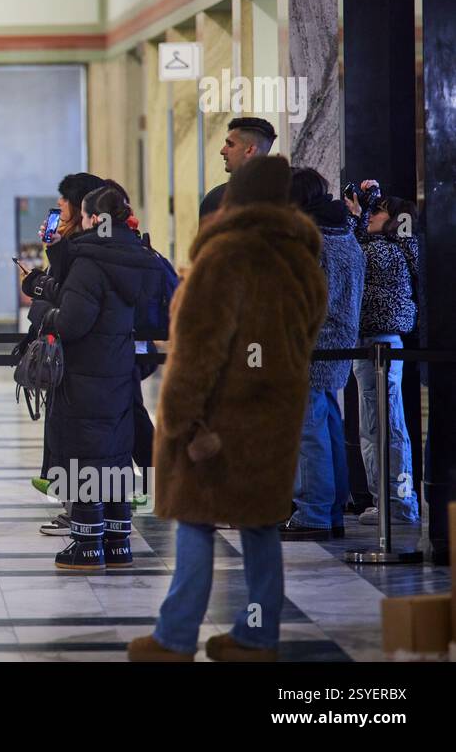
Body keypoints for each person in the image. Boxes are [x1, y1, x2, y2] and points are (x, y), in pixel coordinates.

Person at [130, 156, 326, 661]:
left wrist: (180, 420)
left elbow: (197, 350)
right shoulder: (301, 260)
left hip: (215, 423)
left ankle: (174, 639)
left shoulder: (225, 258)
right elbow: (305, 336)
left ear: (234, 199)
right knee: (261, 525)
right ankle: (257, 637)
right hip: (274, 419)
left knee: (194, 520)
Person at [40, 185, 162, 569]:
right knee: (114, 454)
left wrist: (47, 316)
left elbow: (74, 321)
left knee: (85, 453)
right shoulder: (139, 256)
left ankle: (86, 544)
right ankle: (117, 541)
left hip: (85, 371)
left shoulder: (90, 262)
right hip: (120, 369)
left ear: (93, 219)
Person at [19, 172, 107, 536]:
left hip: (83, 361)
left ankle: (85, 514)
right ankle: (86, 509)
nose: (58, 209)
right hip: (82, 363)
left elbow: (69, 306)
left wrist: (40, 307)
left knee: (80, 435)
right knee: (73, 432)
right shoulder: (76, 248)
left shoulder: (87, 253)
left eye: (63, 204)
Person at [283, 168, 364, 541]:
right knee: (328, 421)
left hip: (310, 343)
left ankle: (314, 510)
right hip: (340, 340)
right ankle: (331, 509)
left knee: (308, 429)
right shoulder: (345, 233)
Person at [345, 181, 421, 526]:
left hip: (382, 341)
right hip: (370, 340)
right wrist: (363, 206)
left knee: (387, 424)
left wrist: (359, 213)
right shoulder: (378, 243)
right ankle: (385, 500)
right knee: (373, 425)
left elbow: (353, 252)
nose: (371, 213)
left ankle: (399, 502)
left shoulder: (389, 249)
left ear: (395, 220)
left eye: (379, 210)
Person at [199, 117, 277, 220]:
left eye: (230, 144)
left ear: (249, 150)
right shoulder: (288, 196)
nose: (223, 151)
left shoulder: (217, 199)